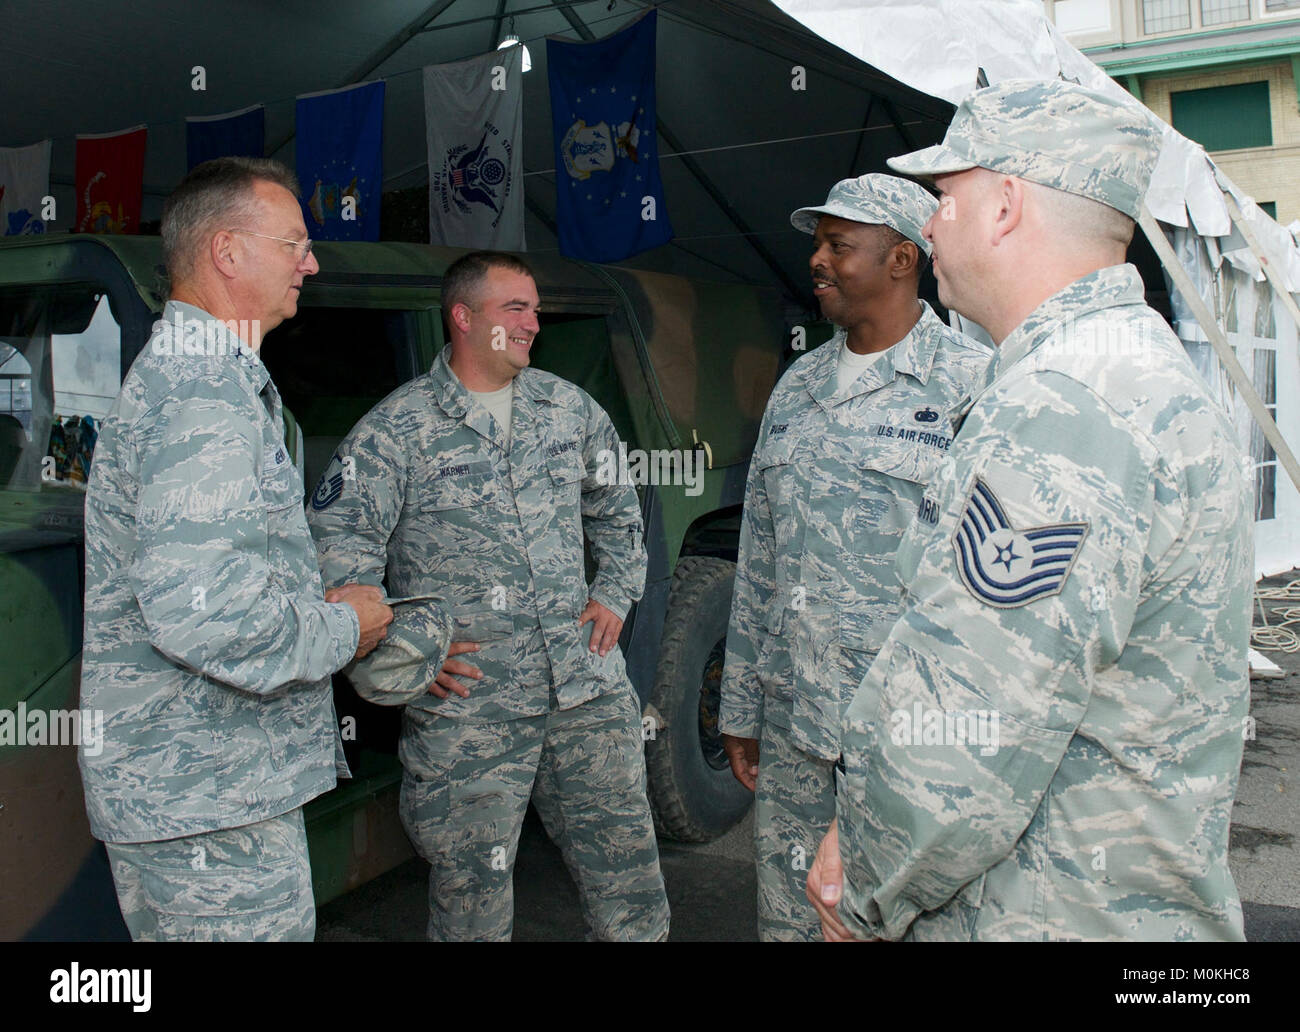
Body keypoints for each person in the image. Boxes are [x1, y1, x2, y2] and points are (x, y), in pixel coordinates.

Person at [806, 79, 1254, 941]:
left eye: (944, 196)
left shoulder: (1065, 405)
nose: (929, 224)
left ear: (1006, 205)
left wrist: (862, 888)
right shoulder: (1131, 367)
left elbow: (968, 729)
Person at [307, 250, 670, 942]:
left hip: (584, 693)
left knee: (628, 880)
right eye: (516, 308)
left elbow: (620, 509)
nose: (535, 322)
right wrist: (407, 656)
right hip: (470, 709)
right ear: (464, 317)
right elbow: (339, 553)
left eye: (535, 309)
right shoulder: (396, 431)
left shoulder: (568, 409)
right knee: (471, 895)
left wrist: (616, 593)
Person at [79, 156, 393, 941]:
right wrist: (344, 629)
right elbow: (203, 613)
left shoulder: (201, 375)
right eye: (294, 243)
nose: (310, 263)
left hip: (198, 793)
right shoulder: (202, 390)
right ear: (227, 252)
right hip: (207, 802)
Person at [718, 173, 991, 941]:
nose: (818, 260)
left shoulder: (971, 387)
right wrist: (740, 704)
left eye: (840, 245)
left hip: (908, 735)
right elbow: (759, 555)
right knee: (793, 918)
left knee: (899, 923)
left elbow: (985, 592)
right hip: (796, 717)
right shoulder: (797, 387)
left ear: (903, 259)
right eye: (817, 244)